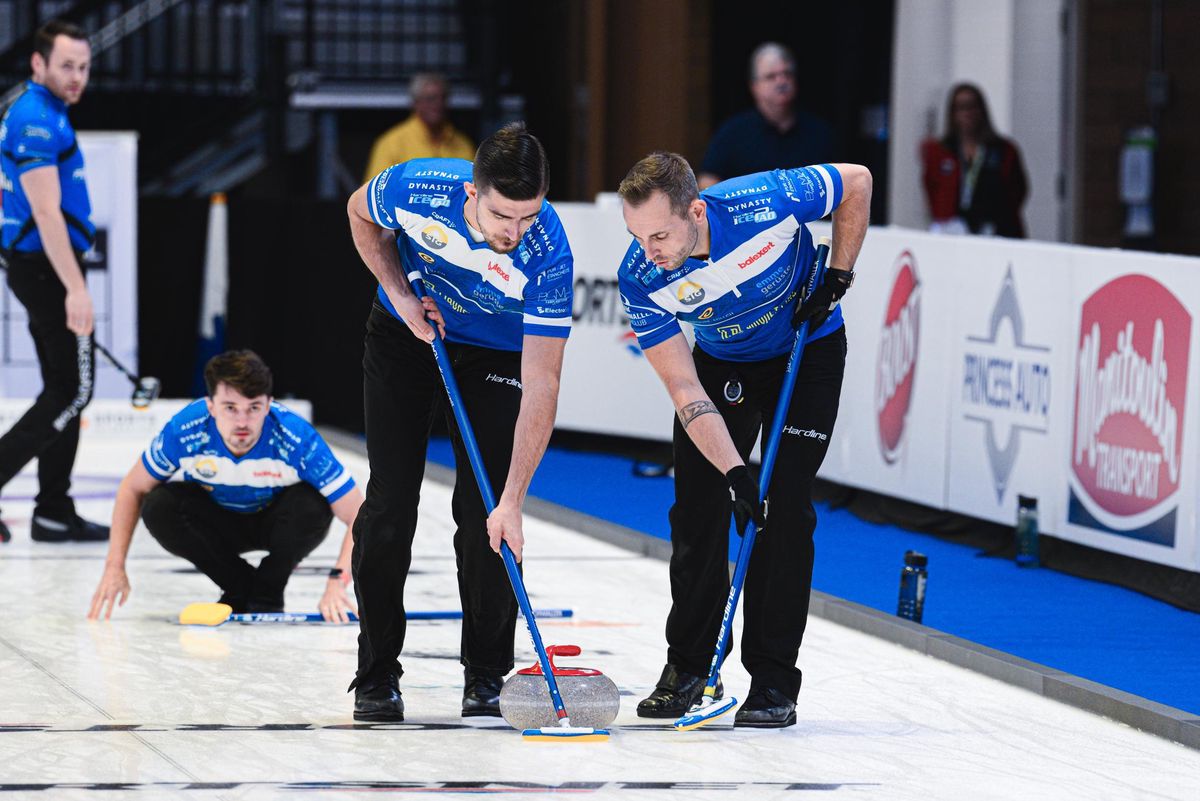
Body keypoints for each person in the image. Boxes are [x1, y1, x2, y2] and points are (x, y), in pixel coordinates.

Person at [617, 152, 871, 728]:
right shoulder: (640, 277)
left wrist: (838, 276)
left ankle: (774, 678)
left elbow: (857, 181)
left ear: (697, 211)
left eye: (659, 234)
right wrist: (735, 472)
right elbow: (684, 388)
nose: (649, 251)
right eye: (637, 235)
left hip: (806, 355)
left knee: (783, 510)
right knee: (698, 508)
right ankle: (689, 664)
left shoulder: (766, 199)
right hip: (720, 366)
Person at [346, 122, 573, 722]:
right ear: (472, 194)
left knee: (488, 515)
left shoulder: (549, 250)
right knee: (391, 504)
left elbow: (544, 383)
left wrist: (516, 499)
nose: (516, 233)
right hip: (405, 335)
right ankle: (376, 675)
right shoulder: (417, 186)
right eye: (504, 217)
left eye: (529, 217)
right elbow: (358, 213)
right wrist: (396, 292)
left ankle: (485, 676)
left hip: (496, 355)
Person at [87, 350, 361, 622]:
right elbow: (132, 488)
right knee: (160, 505)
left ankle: (265, 591)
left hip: (278, 523)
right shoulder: (186, 429)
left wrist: (338, 581)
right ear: (211, 406)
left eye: (254, 408)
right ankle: (243, 588)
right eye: (230, 408)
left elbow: (357, 513)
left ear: (268, 405)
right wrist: (114, 567)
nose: (242, 422)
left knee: (312, 504)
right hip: (217, 523)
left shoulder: (295, 437)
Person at [0, 21, 107, 544]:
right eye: (66, 65)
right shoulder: (37, 120)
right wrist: (76, 288)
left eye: (84, 67)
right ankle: (51, 505)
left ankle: (53, 510)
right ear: (38, 65)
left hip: (40, 265)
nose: (77, 76)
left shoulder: (43, 112)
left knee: (63, 388)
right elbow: (45, 214)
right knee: (72, 389)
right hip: (47, 266)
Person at [697, 43, 837, 191]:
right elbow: (707, 182)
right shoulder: (732, 133)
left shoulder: (819, 133)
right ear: (754, 86)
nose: (782, 82)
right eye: (771, 77)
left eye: (787, 74)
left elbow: (838, 181)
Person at [920, 82, 1028, 238]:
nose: (967, 113)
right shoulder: (940, 151)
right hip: (952, 229)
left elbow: (1018, 189)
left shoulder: (1004, 150)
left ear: (981, 110)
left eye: (972, 106)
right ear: (953, 113)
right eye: (961, 108)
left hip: (995, 230)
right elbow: (930, 188)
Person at [363, 73, 476, 181]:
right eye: (431, 98)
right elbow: (375, 189)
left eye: (443, 98)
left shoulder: (463, 145)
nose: (438, 104)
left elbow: (475, 189)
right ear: (416, 103)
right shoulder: (391, 143)